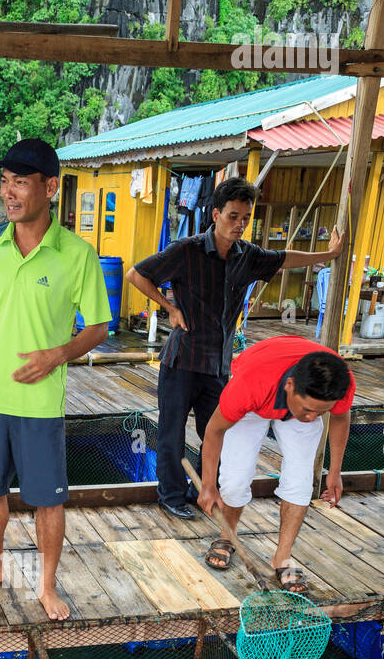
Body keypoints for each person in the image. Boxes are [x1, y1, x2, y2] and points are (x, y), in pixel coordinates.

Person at [0, 138, 111, 621]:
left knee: (46, 499)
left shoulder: (77, 255)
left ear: (50, 187)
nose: (9, 192)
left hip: (41, 402)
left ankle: (46, 585)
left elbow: (100, 326)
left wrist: (57, 355)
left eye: (20, 182)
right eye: (4, 182)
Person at [127, 175, 346, 519]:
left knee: (215, 433)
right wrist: (169, 308)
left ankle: (202, 488)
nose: (240, 225)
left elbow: (285, 257)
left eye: (246, 218)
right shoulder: (188, 250)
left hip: (219, 365)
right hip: (182, 360)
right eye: (233, 216)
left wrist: (330, 253)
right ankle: (170, 495)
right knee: (170, 432)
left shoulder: (248, 255)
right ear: (215, 214)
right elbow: (137, 275)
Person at [194, 336, 355, 593]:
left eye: (320, 412)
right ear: (290, 385)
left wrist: (335, 473)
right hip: (257, 394)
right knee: (234, 480)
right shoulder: (249, 385)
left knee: (301, 482)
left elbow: (339, 418)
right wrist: (208, 485)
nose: (312, 418)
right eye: (308, 409)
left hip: (285, 390)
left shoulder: (339, 383)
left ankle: (282, 557)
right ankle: (228, 537)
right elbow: (214, 431)